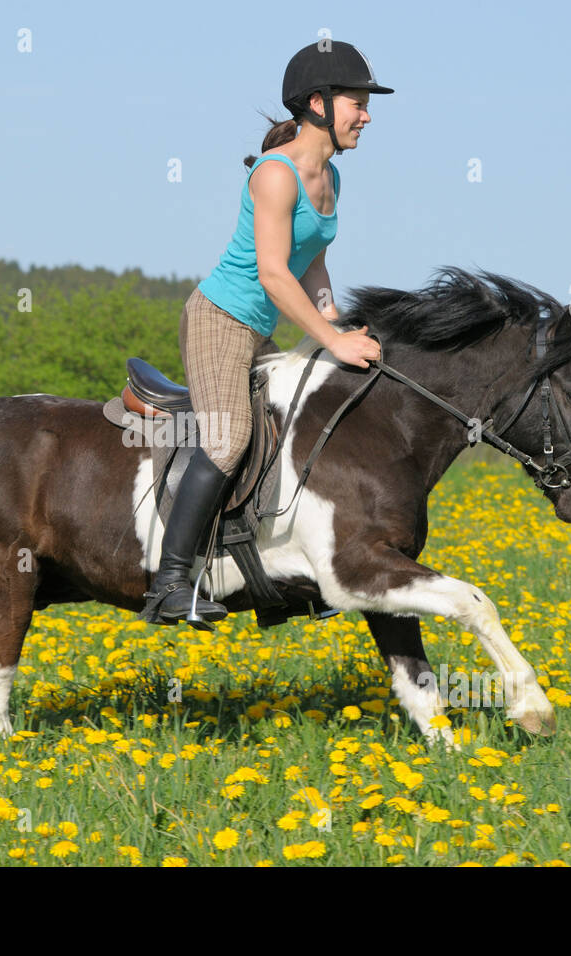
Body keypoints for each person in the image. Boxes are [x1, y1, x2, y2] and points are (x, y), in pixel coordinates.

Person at [139, 40, 391, 629]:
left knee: (310, 421)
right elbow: (276, 275)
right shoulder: (275, 176)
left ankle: (283, 574)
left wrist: (335, 322)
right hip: (220, 320)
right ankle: (171, 582)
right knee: (227, 441)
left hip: (262, 326)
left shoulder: (329, 177)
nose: (368, 115)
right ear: (318, 105)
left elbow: (313, 264)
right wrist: (333, 342)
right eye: (358, 103)